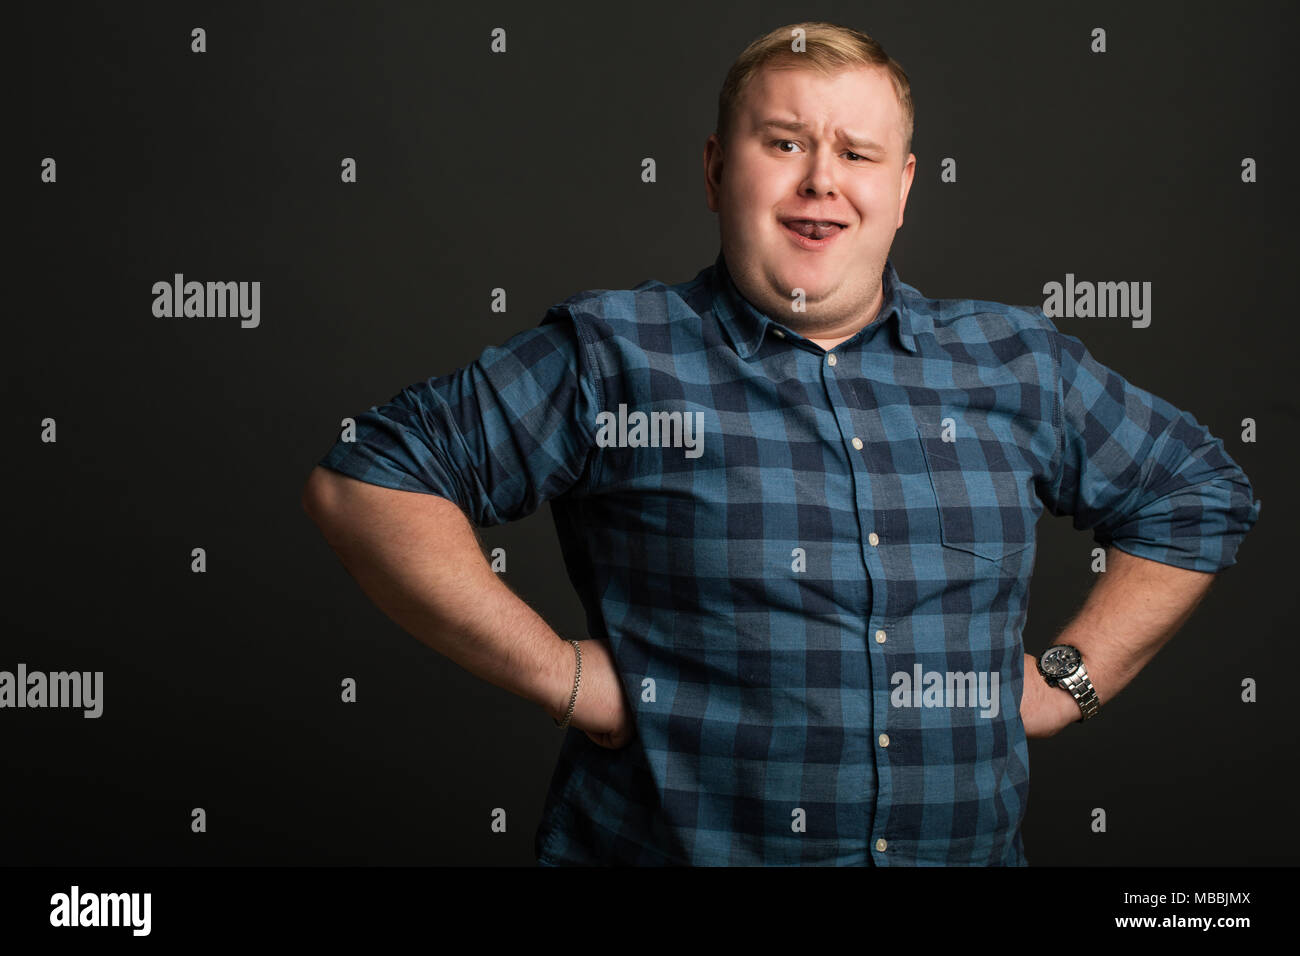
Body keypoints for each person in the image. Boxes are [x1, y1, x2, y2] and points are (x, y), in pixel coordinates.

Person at [301, 21, 1260, 865]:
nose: (822, 182)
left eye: (858, 153)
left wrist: (1067, 684)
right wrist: (564, 676)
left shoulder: (1016, 361)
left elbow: (1195, 492)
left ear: (904, 185)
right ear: (718, 166)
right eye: (785, 142)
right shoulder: (613, 353)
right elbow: (367, 483)